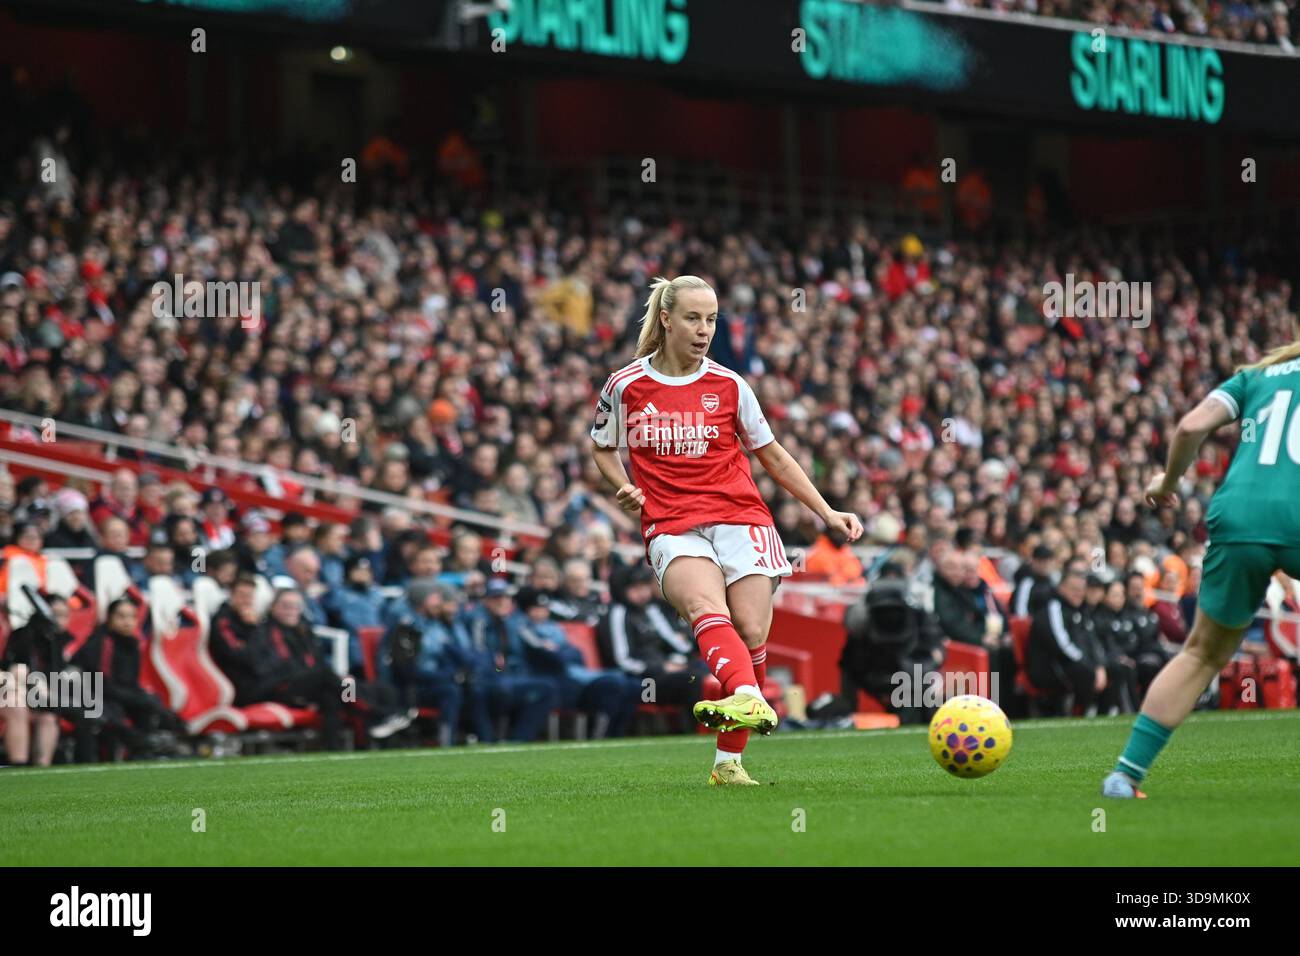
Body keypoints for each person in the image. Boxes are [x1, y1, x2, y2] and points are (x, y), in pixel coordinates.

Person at [590, 275, 862, 785]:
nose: (704, 329)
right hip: (672, 524)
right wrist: (622, 486)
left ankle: (727, 763)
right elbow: (603, 448)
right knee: (705, 610)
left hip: (741, 517)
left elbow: (773, 456)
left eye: (712, 319)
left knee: (753, 632)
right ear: (667, 320)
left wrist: (827, 512)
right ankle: (751, 697)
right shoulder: (625, 386)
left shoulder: (731, 385)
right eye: (693, 318)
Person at [1105, 334, 1300, 797]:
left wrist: (1167, 481)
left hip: (1240, 518)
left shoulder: (1254, 377)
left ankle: (1124, 775)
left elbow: (1191, 426)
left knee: (1201, 655)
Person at [70, 597, 187, 761]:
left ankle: (147, 751)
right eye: (122, 616)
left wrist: (151, 702)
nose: (128, 622)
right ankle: (141, 743)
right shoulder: (102, 643)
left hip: (114, 695)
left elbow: (131, 683)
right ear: (109, 619)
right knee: (118, 708)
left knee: (151, 702)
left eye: (132, 617)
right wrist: (139, 698)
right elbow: (101, 685)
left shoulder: (132, 644)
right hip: (89, 696)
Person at [514, 586, 639, 738]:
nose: (542, 612)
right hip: (561, 679)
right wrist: (559, 652)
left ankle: (617, 733)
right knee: (612, 685)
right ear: (526, 609)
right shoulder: (523, 627)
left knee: (632, 685)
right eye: (536, 608)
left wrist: (558, 651)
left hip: (578, 674)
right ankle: (600, 735)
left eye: (544, 608)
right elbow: (551, 658)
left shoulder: (553, 626)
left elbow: (576, 655)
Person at [840, 563, 944, 724]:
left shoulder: (917, 613)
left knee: (924, 689)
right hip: (879, 674)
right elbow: (850, 659)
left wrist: (924, 666)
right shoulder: (862, 617)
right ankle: (846, 717)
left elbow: (936, 650)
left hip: (905, 675)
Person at [459, 577, 559, 743]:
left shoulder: (515, 621)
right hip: (490, 677)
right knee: (488, 690)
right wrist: (495, 667)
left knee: (548, 688)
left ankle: (518, 740)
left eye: (505, 597)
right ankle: (487, 740)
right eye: (496, 598)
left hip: (513, 676)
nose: (502, 602)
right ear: (486, 601)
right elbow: (479, 652)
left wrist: (549, 647)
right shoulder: (478, 620)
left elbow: (535, 642)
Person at [598, 564, 703, 718]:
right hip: (642, 682)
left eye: (645, 587)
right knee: (692, 681)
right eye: (635, 588)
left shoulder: (651, 610)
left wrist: (677, 660)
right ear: (621, 589)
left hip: (663, 673)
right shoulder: (618, 613)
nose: (643, 593)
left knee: (703, 671)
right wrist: (661, 667)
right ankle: (693, 731)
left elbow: (681, 647)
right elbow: (622, 660)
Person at [0, 592, 71, 766]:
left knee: (47, 715)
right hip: (12, 692)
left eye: (63, 615)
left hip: (37, 696)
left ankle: (41, 767)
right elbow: (13, 670)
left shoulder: (60, 642)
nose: (58, 620)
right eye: (55, 615)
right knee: (16, 703)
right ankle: (19, 764)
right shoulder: (24, 635)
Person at [1026, 568, 1106, 717]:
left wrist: (1099, 665)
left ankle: (1103, 714)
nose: (1079, 593)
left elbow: (1092, 641)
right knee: (1086, 674)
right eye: (1074, 589)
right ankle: (1079, 715)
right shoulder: (1053, 608)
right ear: (1061, 588)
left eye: (1082, 590)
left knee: (1115, 669)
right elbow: (1062, 646)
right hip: (1049, 667)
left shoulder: (1081, 610)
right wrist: (1090, 666)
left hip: (1071, 664)